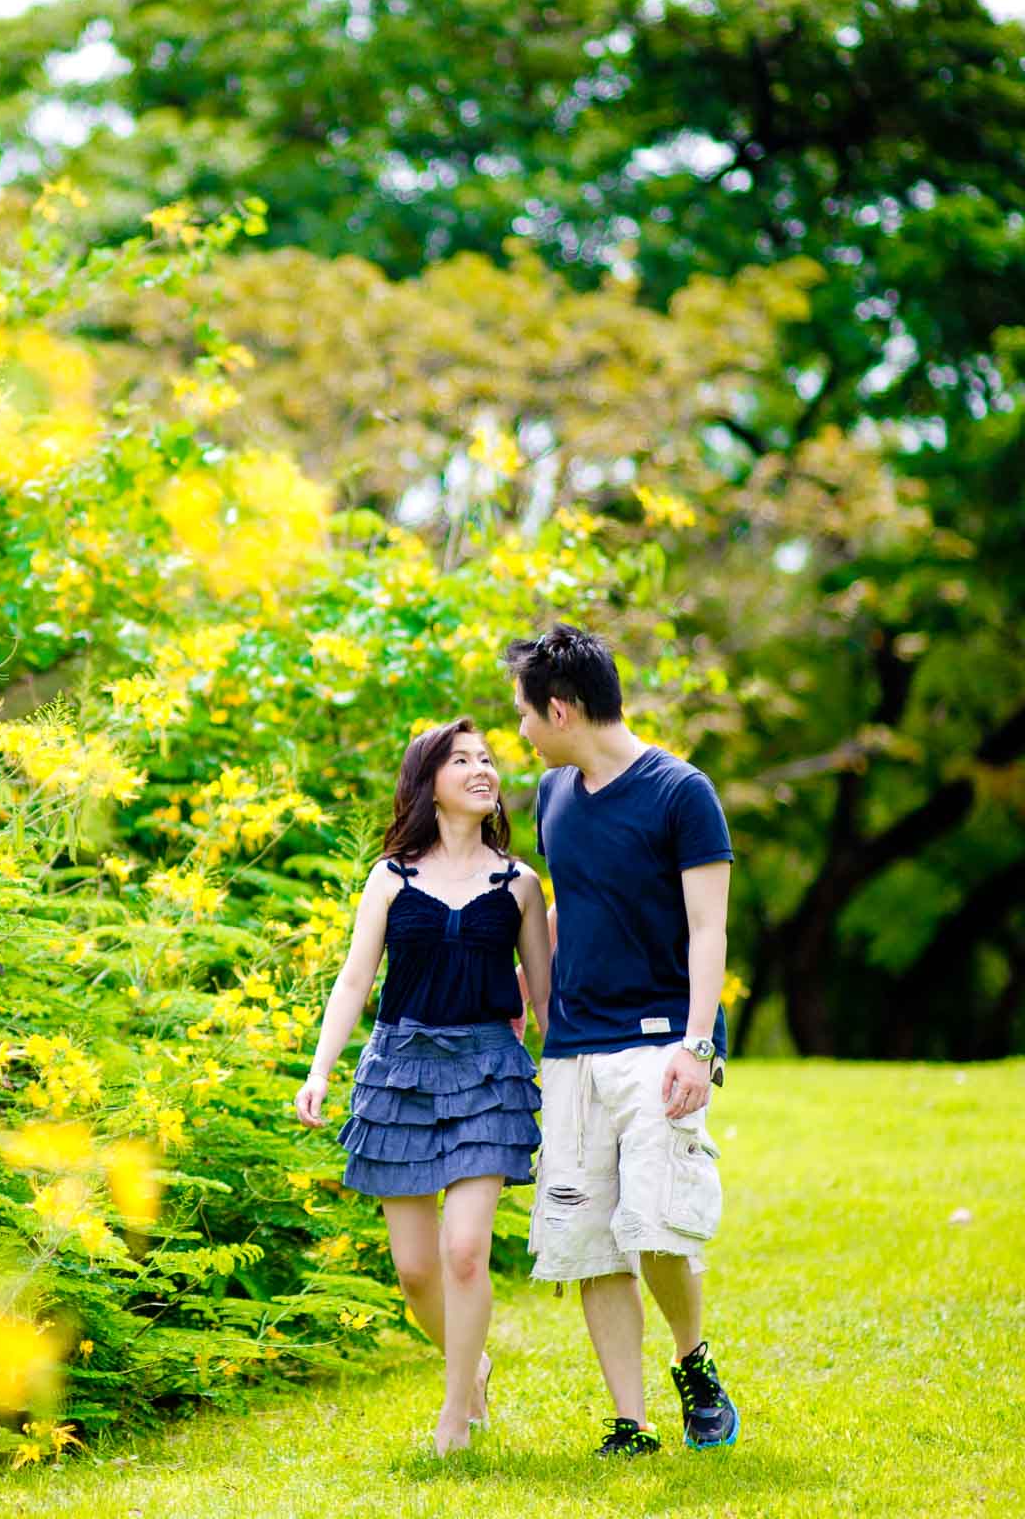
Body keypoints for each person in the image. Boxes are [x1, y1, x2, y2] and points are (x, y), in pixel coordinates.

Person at [503, 622, 741, 1456]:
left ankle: (693, 1362)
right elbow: (577, 903)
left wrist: (698, 1045)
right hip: (572, 1050)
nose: (521, 732)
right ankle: (630, 1422)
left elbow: (708, 929)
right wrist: (526, 988)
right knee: (591, 1239)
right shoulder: (555, 797)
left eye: (526, 715)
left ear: (560, 709)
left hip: (659, 1041)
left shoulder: (682, 792)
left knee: (658, 1226)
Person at [293, 717, 552, 1455]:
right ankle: (475, 1365)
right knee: (414, 1273)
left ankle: (453, 1415)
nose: (482, 770)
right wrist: (319, 1070)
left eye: (488, 760)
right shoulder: (390, 877)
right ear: (427, 780)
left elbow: (543, 997)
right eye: (462, 760)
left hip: (485, 1073)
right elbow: (353, 981)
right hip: (398, 1072)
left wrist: (566, 1071)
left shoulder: (520, 884)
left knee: (464, 1250)